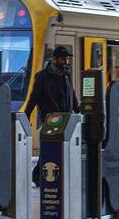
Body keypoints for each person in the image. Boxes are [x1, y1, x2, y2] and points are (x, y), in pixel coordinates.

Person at [25, 45, 80, 185]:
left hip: (66, 119)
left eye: (67, 59)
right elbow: (34, 98)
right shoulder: (42, 77)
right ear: (54, 60)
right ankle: (38, 176)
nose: (66, 62)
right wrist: (25, 117)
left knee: (59, 150)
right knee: (48, 150)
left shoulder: (66, 76)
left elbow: (72, 95)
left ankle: (45, 176)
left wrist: (79, 112)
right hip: (51, 120)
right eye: (63, 59)